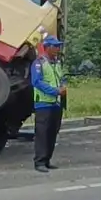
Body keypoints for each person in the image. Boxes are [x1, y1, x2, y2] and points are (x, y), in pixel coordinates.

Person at [30, 35, 67, 173]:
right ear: (47, 47)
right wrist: (55, 91)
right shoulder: (39, 63)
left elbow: (61, 78)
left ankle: (47, 159)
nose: (58, 48)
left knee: (52, 132)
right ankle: (39, 161)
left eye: (58, 46)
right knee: (42, 133)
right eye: (55, 46)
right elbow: (37, 82)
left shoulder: (57, 63)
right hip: (43, 103)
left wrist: (63, 87)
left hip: (56, 104)